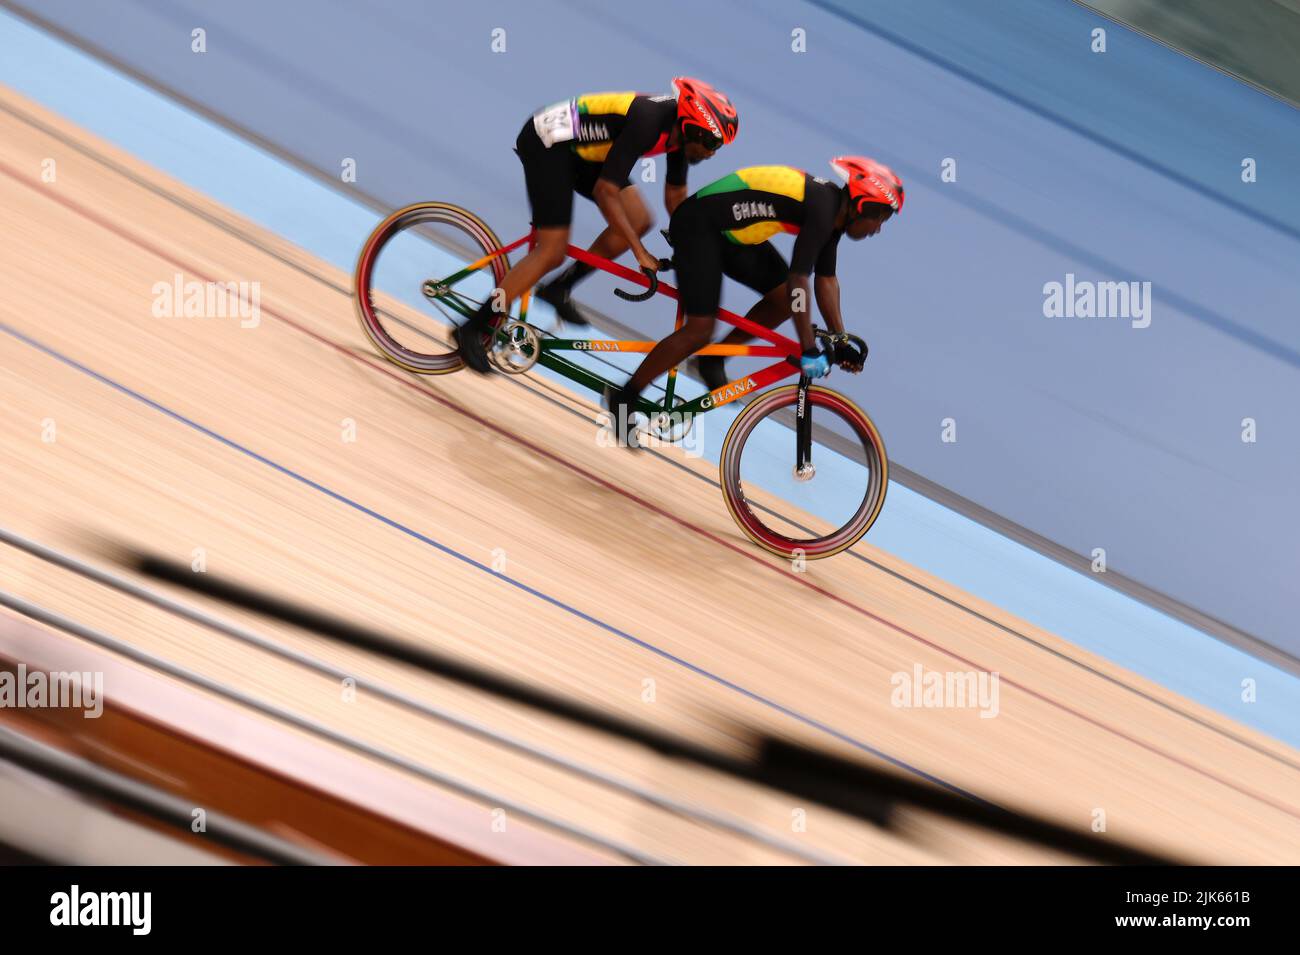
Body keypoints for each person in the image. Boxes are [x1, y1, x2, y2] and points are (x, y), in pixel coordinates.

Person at [604, 157, 904, 445]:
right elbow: (800, 280)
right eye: (880, 218)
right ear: (863, 205)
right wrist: (808, 347)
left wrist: (840, 339)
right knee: (699, 330)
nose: (878, 229)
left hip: (733, 237)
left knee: (783, 300)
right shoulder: (823, 210)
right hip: (699, 227)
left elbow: (826, 279)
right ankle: (623, 398)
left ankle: (713, 359)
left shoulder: (833, 215)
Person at [455, 78, 739, 372]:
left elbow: (675, 196)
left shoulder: (680, 133)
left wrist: (694, 244)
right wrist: (639, 252)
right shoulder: (648, 122)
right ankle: (474, 327)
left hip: (586, 152)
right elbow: (606, 191)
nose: (712, 152)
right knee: (552, 251)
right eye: (711, 142)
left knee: (640, 218)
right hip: (549, 144)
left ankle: (559, 288)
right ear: (692, 127)